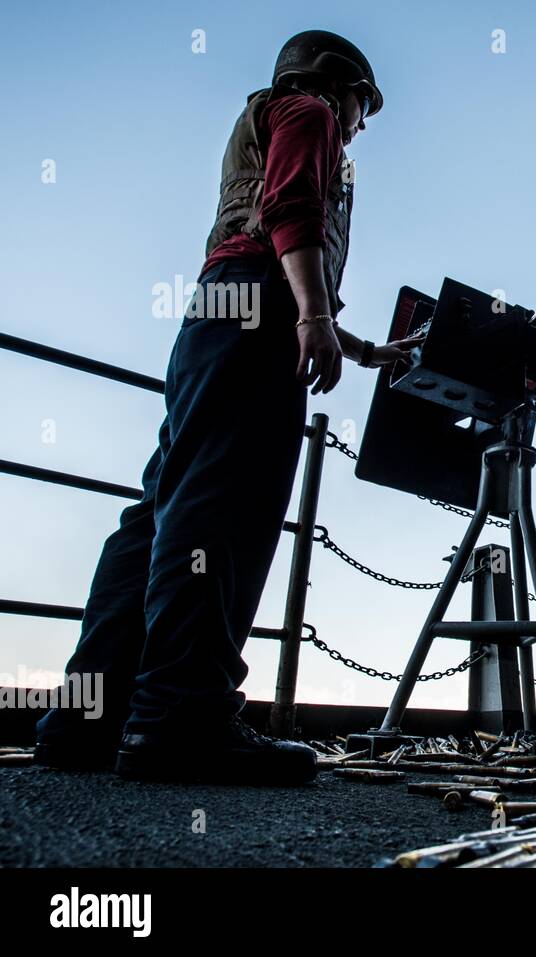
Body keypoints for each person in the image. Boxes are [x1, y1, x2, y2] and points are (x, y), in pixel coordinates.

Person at [34, 31, 415, 784]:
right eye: (363, 103)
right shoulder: (310, 112)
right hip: (260, 317)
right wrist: (309, 318)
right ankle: (183, 717)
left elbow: (266, 231)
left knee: (162, 511)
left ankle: (87, 718)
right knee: (222, 514)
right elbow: (291, 209)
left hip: (216, 315)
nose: (361, 124)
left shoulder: (263, 117)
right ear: (337, 83)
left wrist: (363, 347)